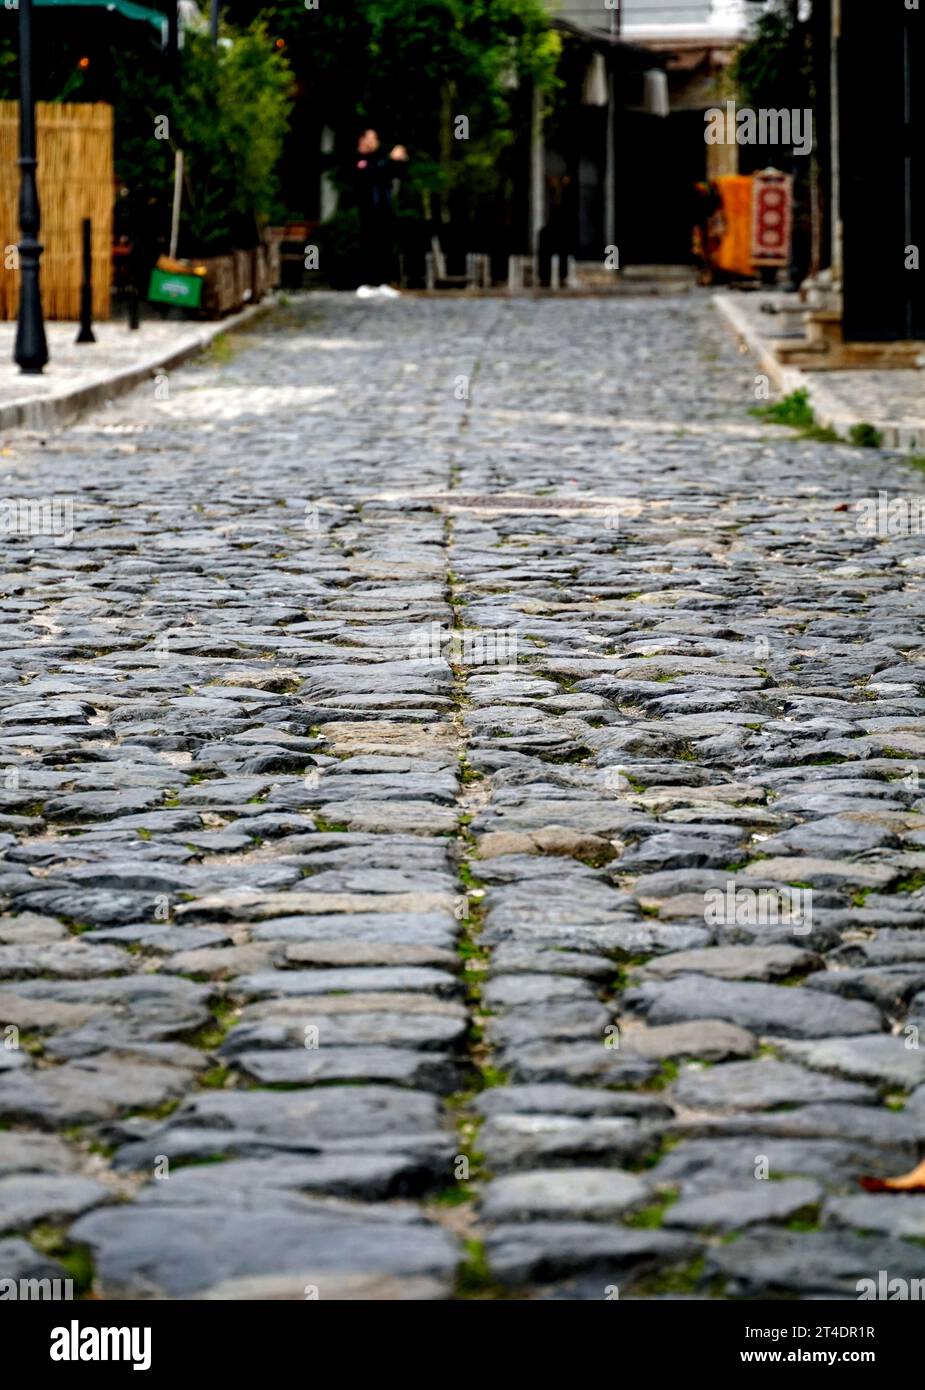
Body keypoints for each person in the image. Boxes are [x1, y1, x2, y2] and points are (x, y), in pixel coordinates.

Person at [353, 128, 408, 298]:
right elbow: (373, 173)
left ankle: (382, 282)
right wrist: (391, 160)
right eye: (371, 138)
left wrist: (400, 160)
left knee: (384, 245)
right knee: (368, 246)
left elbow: (394, 173)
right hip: (367, 211)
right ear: (362, 140)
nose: (374, 141)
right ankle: (364, 283)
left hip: (383, 209)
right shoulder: (358, 160)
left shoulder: (378, 159)